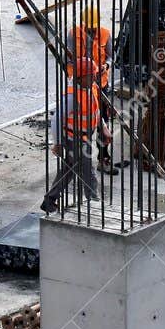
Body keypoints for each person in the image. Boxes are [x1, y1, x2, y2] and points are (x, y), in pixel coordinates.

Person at [41, 58, 114, 215]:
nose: (94, 78)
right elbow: (56, 120)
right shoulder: (71, 96)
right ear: (80, 77)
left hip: (86, 136)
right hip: (75, 139)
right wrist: (58, 143)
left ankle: (50, 200)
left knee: (69, 169)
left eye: (94, 74)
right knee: (89, 171)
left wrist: (104, 128)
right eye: (91, 75)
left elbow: (95, 110)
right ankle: (93, 203)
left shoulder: (92, 87)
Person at [70, 4, 116, 175]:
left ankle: (103, 158)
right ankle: (78, 161)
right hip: (81, 87)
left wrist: (106, 65)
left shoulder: (105, 34)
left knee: (103, 122)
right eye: (88, 27)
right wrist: (76, 78)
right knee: (81, 123)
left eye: (93, 27)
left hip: (101, 85)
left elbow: (112, 56)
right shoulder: (74, 34)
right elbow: (67, 59)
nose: (91, 31)